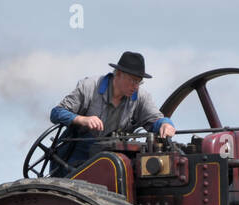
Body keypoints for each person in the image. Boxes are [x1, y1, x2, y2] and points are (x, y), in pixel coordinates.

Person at [48, 51, 177, 172]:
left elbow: (155, 120)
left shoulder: (140, 97)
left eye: (139, 82)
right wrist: (82, 119)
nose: (136, 86)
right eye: (132, 80)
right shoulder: (89, 87)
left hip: (113, 161)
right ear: (118, 73)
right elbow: (56, 113)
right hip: (73, 161)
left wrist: (165, 124)